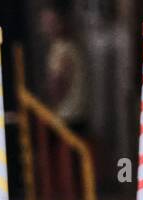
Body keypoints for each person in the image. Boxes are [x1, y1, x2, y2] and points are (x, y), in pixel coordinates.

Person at [41, 5, 89, 137]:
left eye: (51, 23)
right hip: (78, 116)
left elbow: (57, 84)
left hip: (66, 119)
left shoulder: (61, 49)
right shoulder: (74, 46)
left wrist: (46, 105)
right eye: (45, 23)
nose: (47, 28)